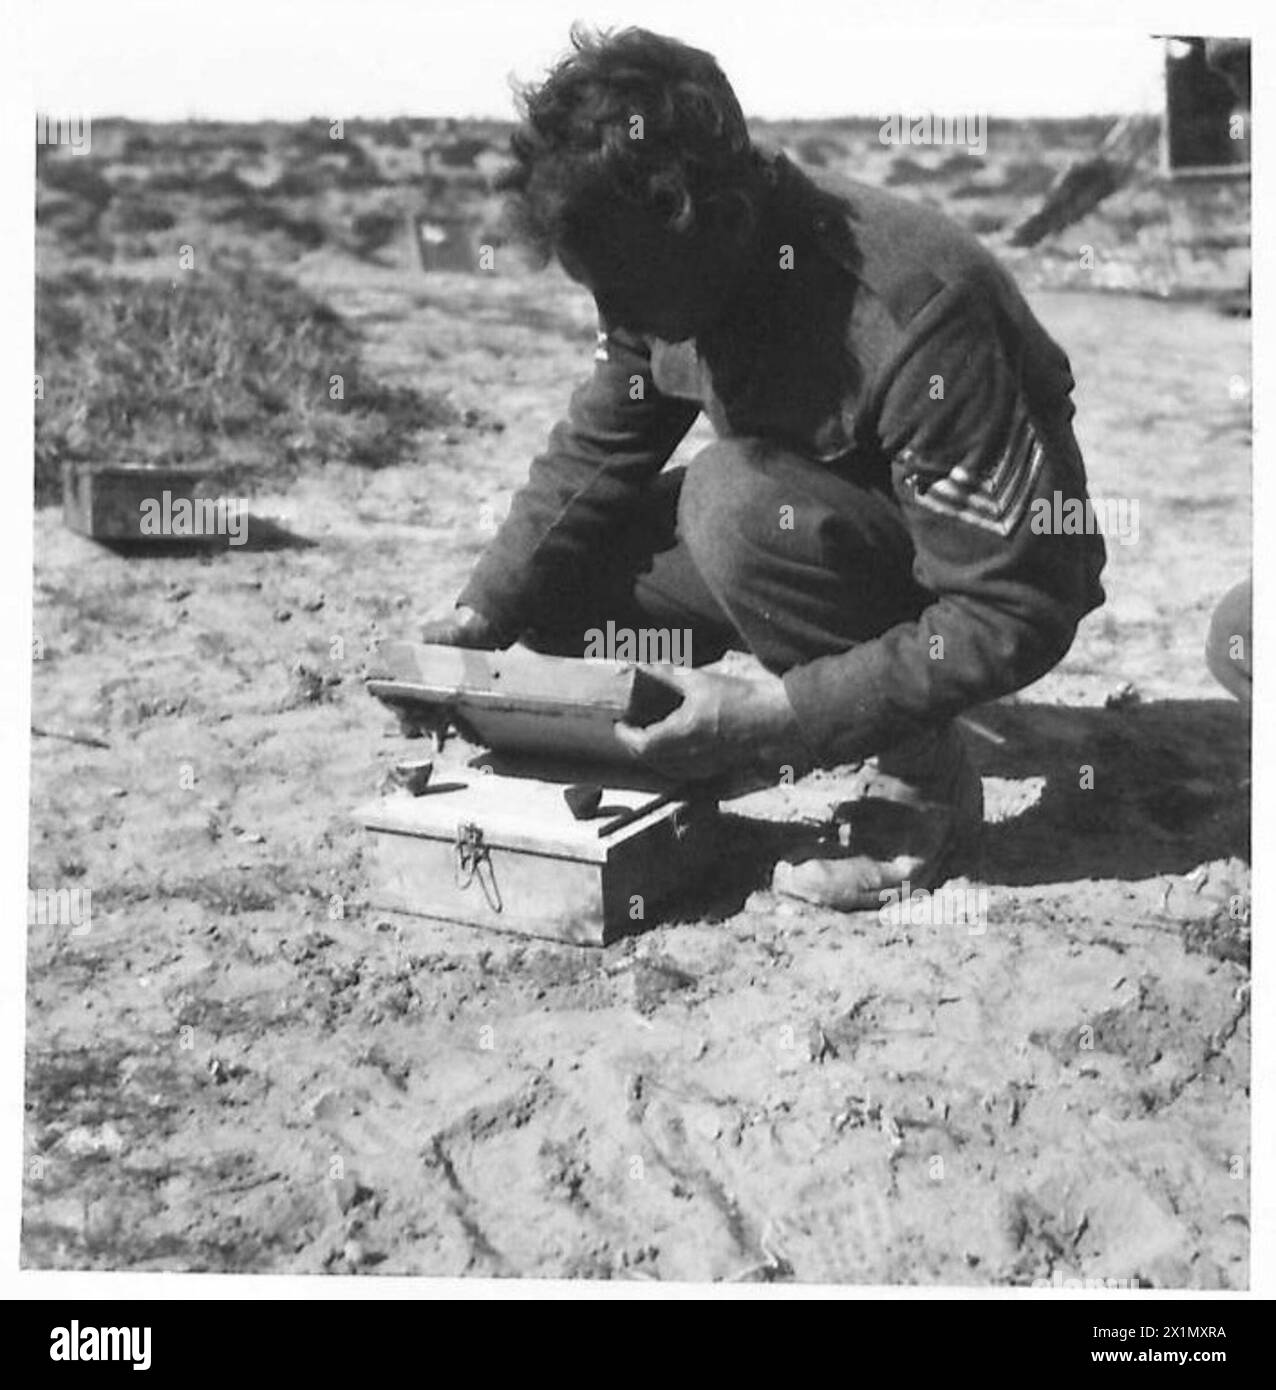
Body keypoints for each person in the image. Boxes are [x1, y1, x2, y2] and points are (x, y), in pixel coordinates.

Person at [421, 26, 1107, 909]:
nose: (614, 313)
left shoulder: (917, 311)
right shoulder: (661, 256)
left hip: (973, 572)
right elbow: (601, 448)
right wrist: (483, 614)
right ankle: (665, 758)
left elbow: (1015, 607)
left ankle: (924, 778)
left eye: (621, 287)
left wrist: (787, 721)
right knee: (559, 584)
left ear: (724, 221)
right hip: (813, 539)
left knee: (729, 500)